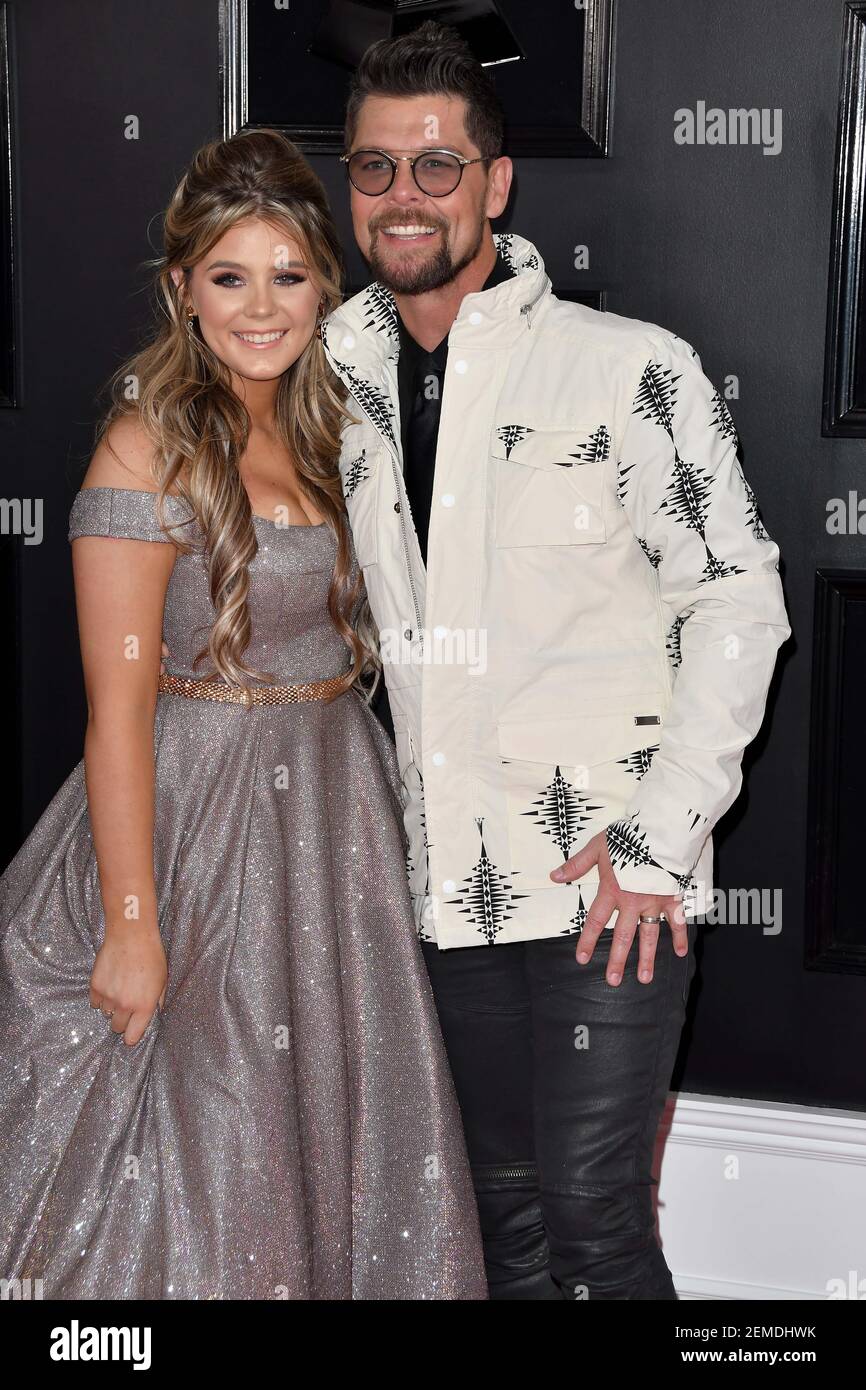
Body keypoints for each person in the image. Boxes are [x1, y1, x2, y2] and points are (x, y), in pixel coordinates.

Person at [318, 22, 792, 1298]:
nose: (402, 196)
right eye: (373, 169)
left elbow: (737, 599)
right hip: (437, 883)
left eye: (434, 165)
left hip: (604, 888)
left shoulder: (627, 369)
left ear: (494, 180)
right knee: (500, 1239)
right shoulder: (328, 382)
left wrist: (657, 838)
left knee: (592, 1232)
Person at [0, 128, 486, 1300]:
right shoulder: (142, 447)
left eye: (287, 274)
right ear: (183, 290)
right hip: (194, 833)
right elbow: (114, 714)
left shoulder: (329, 432)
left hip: (331, 830)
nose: (260, 306)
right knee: (211, 1143)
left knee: (325, 1118)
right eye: (229, 276)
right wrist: (131, 922)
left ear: (324, 282)